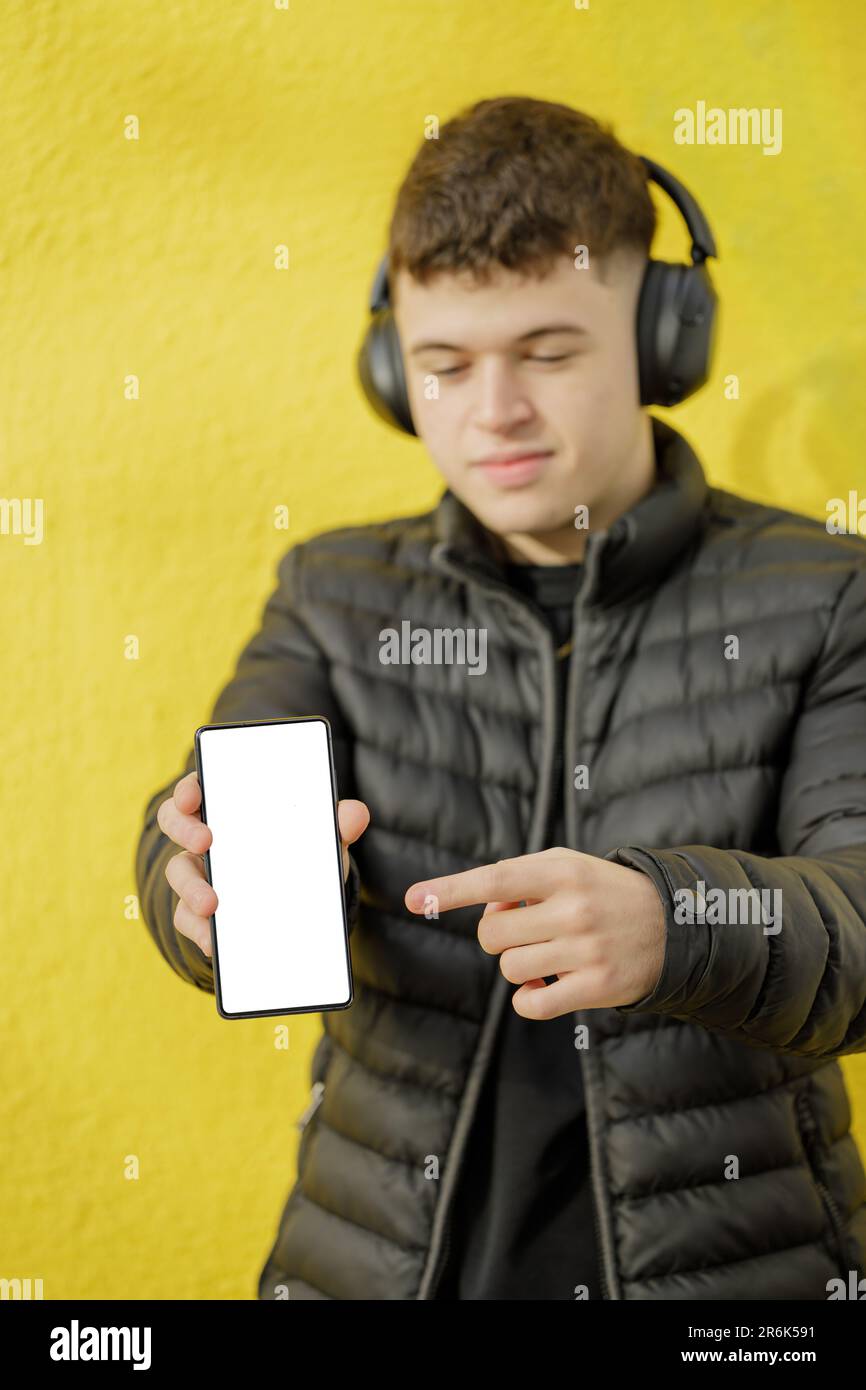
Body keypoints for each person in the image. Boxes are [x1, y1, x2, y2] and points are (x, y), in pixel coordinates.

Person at [135, 95, 866, 1301]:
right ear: (389, 369)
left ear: (661, 340)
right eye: (444, 365)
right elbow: (187, 832)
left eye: (547, 353)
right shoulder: (330, 591)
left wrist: (673, 923)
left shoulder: (827, 595)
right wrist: (190, 893)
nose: (493, 416)